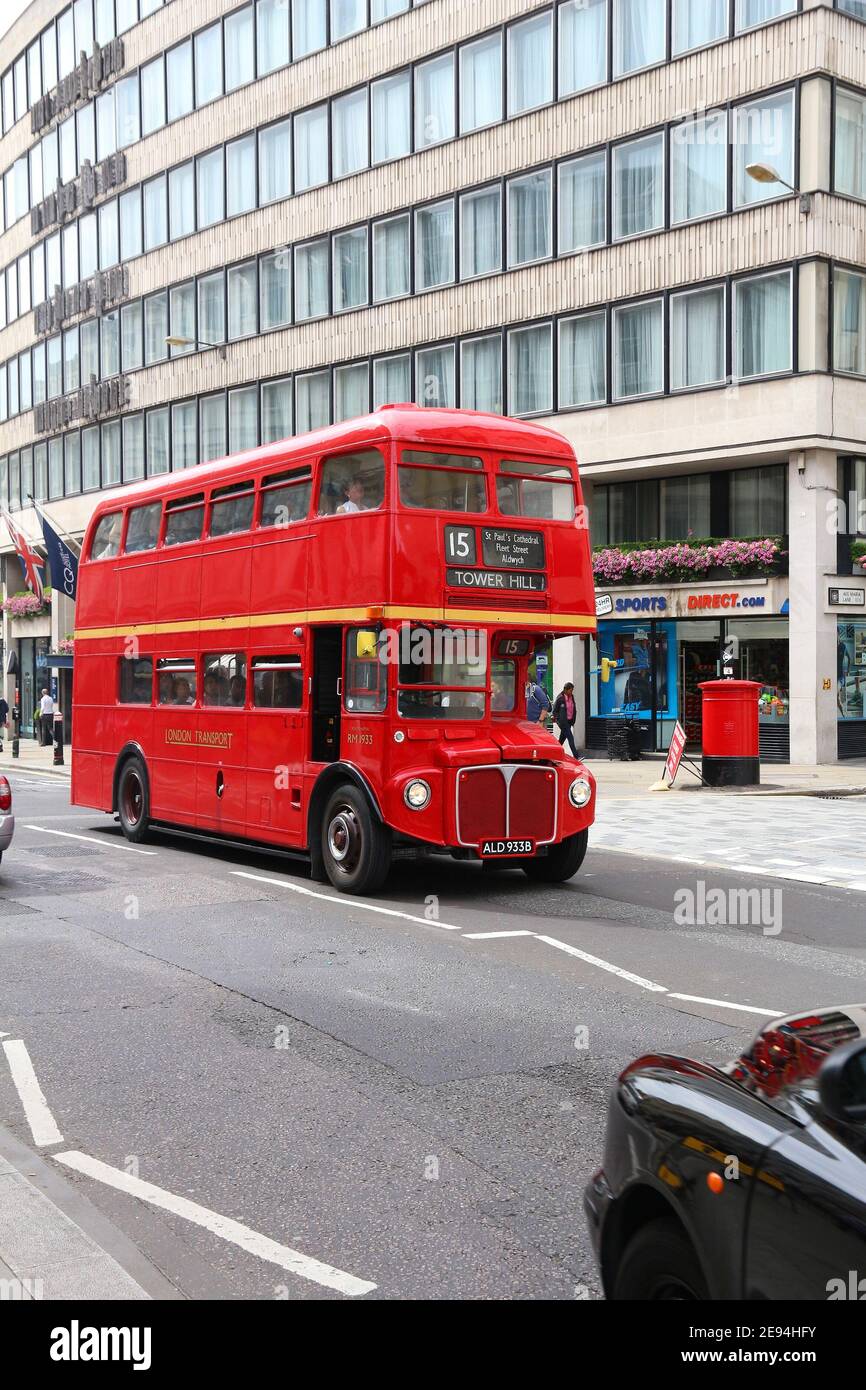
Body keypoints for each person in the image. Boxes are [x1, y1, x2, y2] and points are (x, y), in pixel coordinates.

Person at [552, 682, 580, 757]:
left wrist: (573, 719)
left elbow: (573, 708)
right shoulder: (560, 698)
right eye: (570, 690)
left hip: (570, 721)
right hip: (563, 722)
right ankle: (576, 756)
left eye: (572, 690)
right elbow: (554, 711)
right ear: (565, 690)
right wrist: (559, 721)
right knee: (570, 737)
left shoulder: (572, 697)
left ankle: (554, 753)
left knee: (561, 740)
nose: (571, 692)